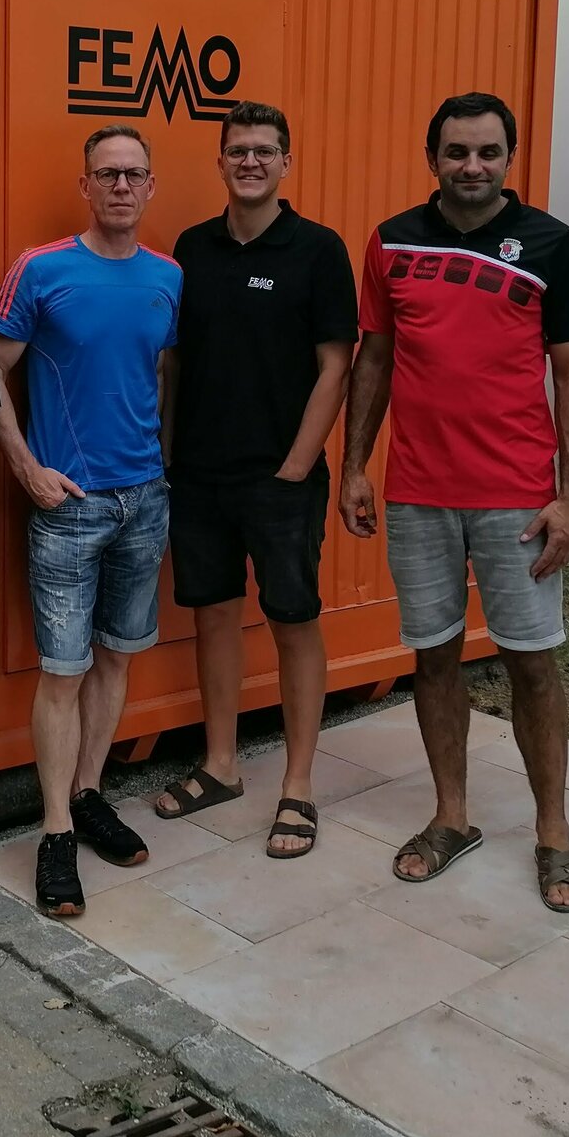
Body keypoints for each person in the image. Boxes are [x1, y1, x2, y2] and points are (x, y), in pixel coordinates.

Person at [338, 92, 569, 912]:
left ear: (509, 157)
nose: (473, 167)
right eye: (457, 152)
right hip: (419, 494)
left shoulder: (552, 244)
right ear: (434, 158)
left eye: (488, 151)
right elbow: (373, 362)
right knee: (436, 658)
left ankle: (554, 835)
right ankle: (452, 817)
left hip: (518, 500)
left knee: (531, 662)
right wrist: (353, 466)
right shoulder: (390, 242)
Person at [0, 124, 181, 917]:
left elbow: (160, 377)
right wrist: (26, 468)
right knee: (62, 672)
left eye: (134, 174)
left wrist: (158, 466)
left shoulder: (169, 277)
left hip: (145, 501)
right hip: (69, 509)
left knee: (117, 658)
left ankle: (92, 790)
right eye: (108, 174)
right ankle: (57, 829)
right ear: (86, 185)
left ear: (151, 185)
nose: (122, 187)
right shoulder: (41, 269)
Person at [153, 102, 356, 858]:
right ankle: (220, 766)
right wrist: (169, 455)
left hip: (281, 477)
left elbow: (337, 365)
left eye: (264, 151)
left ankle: (298, 785)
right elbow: (175, 362)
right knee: (212, 615)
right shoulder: (191, 249)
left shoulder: (317, 250)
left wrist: (298, 466)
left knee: (293, 622)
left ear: (285, 163)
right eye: (237, 151)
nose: (250, 162)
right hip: (199, 475)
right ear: (220, 161)